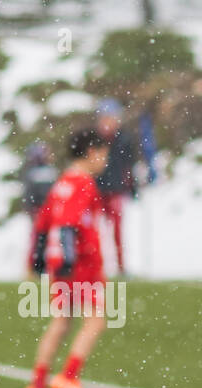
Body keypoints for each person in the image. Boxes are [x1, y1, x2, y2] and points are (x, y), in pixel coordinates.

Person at [22, 128, 111, 388]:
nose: (105, 161)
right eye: (104, 155)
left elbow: (43, 224)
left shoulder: (61, 183)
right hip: (79, 265)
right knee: (96, 320)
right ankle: (69, 377)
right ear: (91, 153)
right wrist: (71, 258)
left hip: (58, 264)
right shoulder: (82, 184)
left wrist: (37, 258)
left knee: (61, 322)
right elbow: (70, 225)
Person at [94, 98, 140, 276]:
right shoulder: (95, 140)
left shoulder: (124, 139)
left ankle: (120, 266)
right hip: (98, 191)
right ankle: (97, 266)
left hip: (116, 190)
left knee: (117, 230)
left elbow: (129, 166)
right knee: (95, 232)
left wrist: (132, 187)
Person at [21, 141, 57, 273]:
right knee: (37, 240)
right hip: (38, 209)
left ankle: (43, 266)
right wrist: (30, 208)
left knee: (45, 239)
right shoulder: (32, 172)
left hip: (46, 209)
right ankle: (34, 267)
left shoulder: (49, 171)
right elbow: (29, 193)